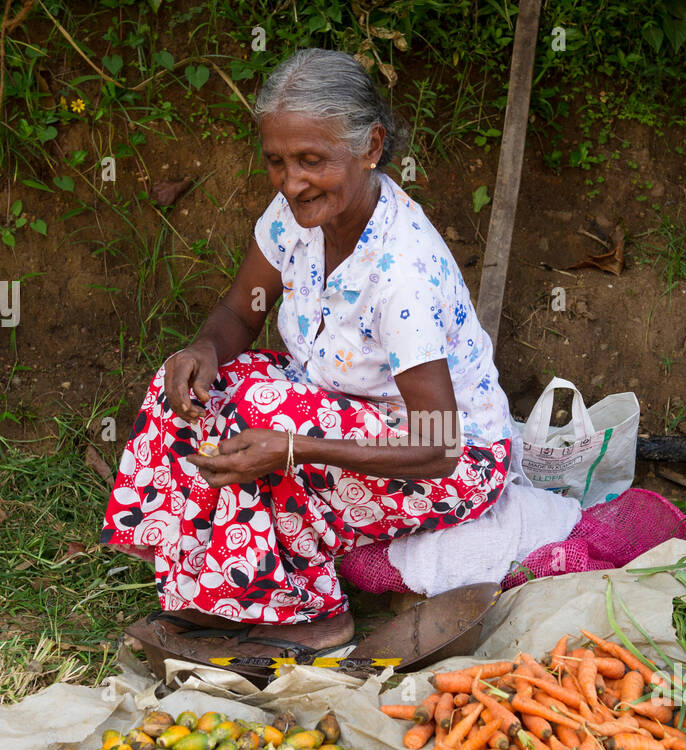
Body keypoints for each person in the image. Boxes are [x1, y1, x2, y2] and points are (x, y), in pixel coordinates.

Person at [101, 48, 513, 655]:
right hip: (332, 408)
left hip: (449, 463)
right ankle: (221, 591)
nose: (292, 182)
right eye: (277, 162)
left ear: (371, 147)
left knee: (264, 417)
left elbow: (438, 445)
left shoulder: (403, 271)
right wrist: (204, 350)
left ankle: (308, 615)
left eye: (312, 161)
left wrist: (292, 447)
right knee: (187, 393)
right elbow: (243, 311)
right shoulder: (295, 216)